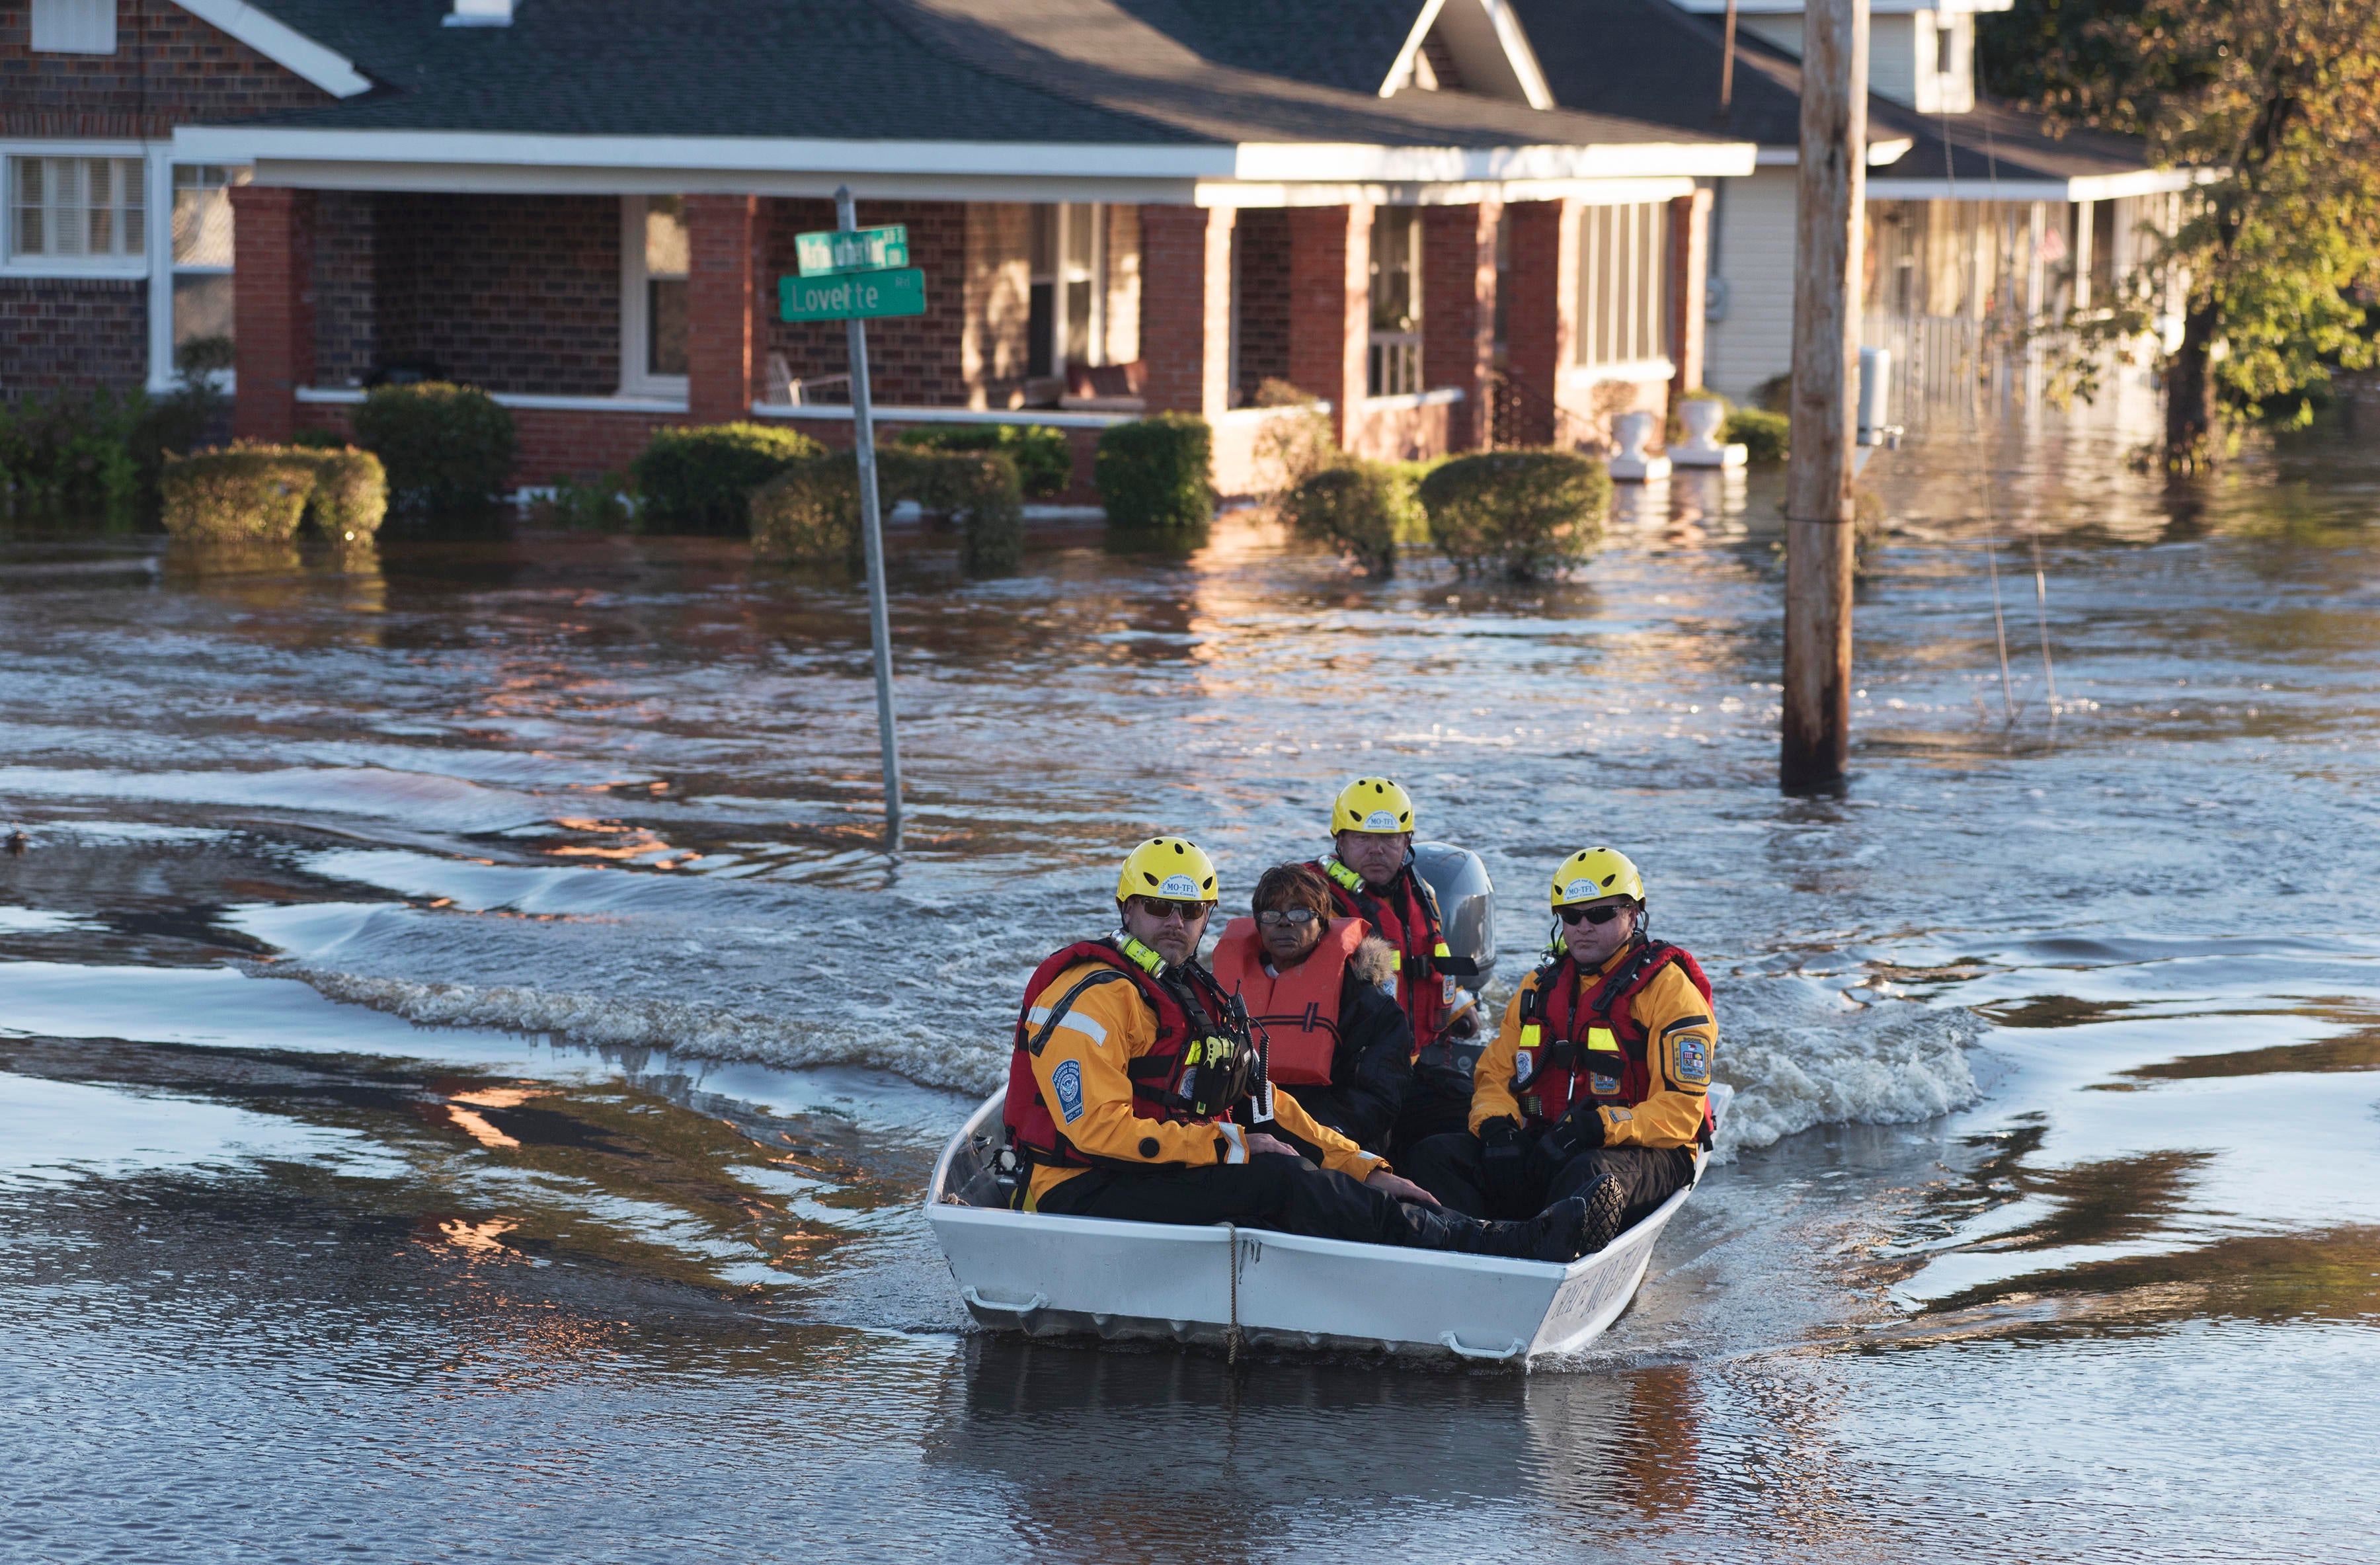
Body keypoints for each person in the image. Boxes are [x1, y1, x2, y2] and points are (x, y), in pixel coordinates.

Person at [1004, 836, 1591, 1263]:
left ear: (1209, 915)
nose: (1175, 923)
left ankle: (1458, 1228)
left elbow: (1265, 1103)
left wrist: (1366, 1169)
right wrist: (1229, 1143)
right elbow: (1094, 1130)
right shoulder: (1093, 998)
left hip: (1151, 1167)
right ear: (1127, 908)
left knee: (1293, 1158)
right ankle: (1479, 1245)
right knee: (1274, 1176)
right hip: (1077, 1186)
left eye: (1190, 910)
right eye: (1159, 907)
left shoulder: (1188, 991)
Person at [1401, 846, 1716, 1256]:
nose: (1584, 927)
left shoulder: (1669, 991)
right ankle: (1475, 1247)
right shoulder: (1538, 987)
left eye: (1601, 914)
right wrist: (1499, 1129)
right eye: (1572, 916)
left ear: (1633, 914)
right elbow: (1495, 1073)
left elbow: (1681, 1111)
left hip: (1647, 1148)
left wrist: (1599, 1127)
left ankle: (1550, 1254)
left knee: (1588, 1175)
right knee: (1435, 1156)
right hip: (1548, 1138)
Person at [1306, 778, 1476, 1152]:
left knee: (1480, 1114)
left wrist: (1458, 1002)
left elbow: (1430, 956)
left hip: (1414, 1063)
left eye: (1389, 839)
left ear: (1407, 842)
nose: (1376, 850)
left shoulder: (1422, 892)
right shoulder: (1313, 899)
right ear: (1340, 841)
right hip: (1349, 1073)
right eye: (1362, 838)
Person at [1209, 863, 1410, 1155]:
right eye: (1271, 914)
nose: (1284, 923)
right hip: (1245, 1136)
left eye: (1300, 913)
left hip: (1336, 1143)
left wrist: (1305, 1138)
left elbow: (1378, 1099)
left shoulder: (1372, 1007)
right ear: (1258, 924)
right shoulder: (1220, 995)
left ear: (1323, 925)